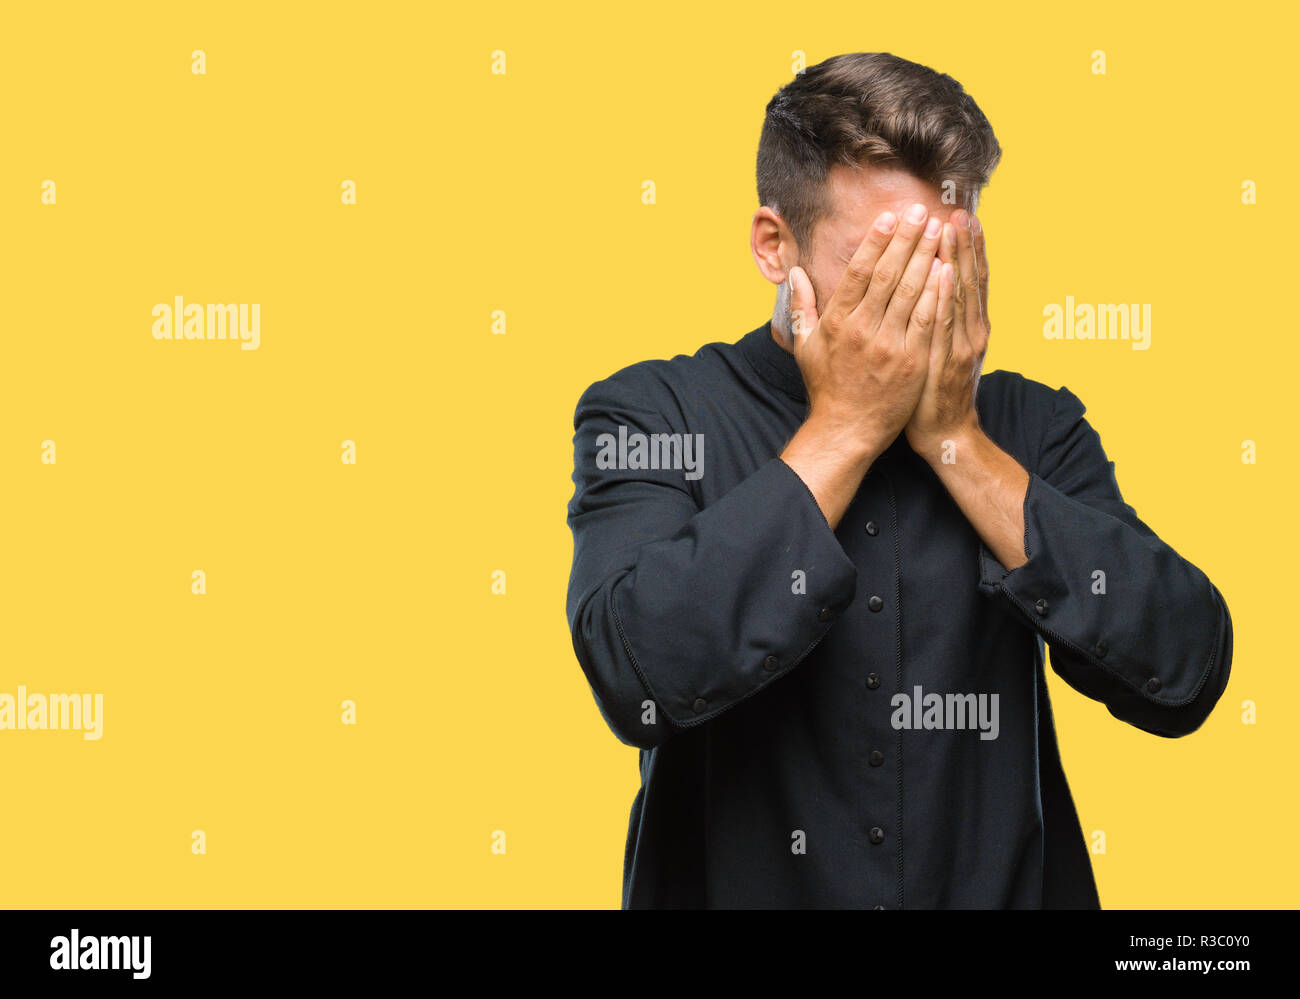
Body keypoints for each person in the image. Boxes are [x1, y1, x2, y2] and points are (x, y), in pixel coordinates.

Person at [564, 51, 1232, 909]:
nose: (919, 297)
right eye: (884, 262)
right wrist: (845, 427)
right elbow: (636, 675)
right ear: (774, 245)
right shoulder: (652, 415)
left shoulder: (1033, 425)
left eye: (943, 257)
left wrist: (959, 442)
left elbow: (1184, 668)